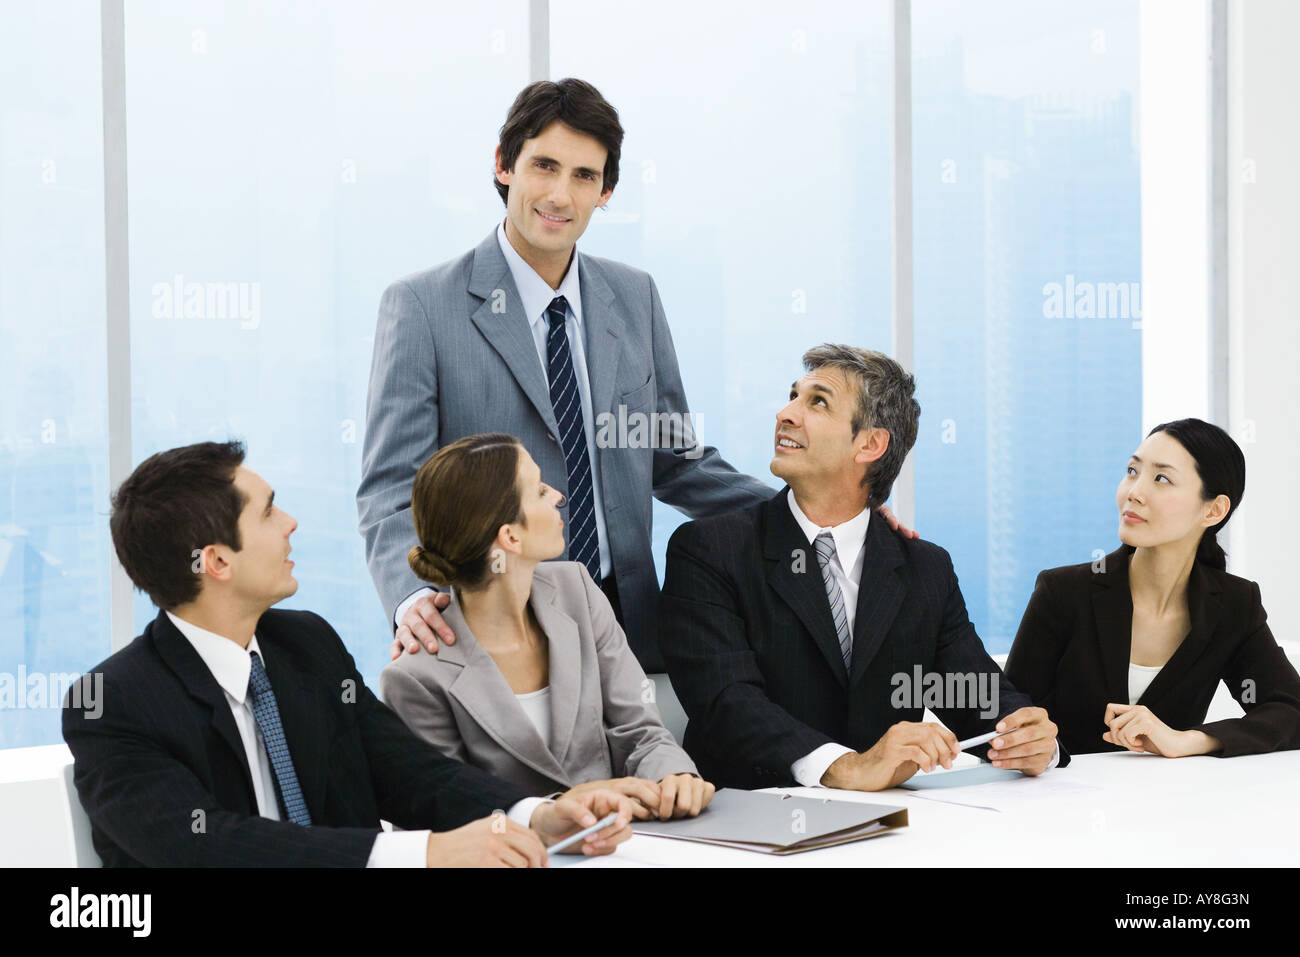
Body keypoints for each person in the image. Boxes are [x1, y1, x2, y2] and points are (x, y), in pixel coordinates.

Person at [356, 78, 912, 673]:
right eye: (544, 166)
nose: (560, 195)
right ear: (503, 166)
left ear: (606, 192)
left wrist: (819, 515)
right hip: (495, 625)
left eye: (584, 176)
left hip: (628, 624)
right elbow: (392, 487)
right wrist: (412, 596)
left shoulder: (633, 295)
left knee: (651, 764)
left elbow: (675, 459)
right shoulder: (421, 306)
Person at [63, 441, 633, 867]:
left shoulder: (304, 644)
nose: (291, 524)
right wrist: (424, 855)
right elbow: (206, 843)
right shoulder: (114, 703)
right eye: (268, 512)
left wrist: (535, 812)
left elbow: (408, 772)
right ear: (216, 562)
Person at [658, 344, 1068, 791]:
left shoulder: (925, 568)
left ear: (870, 444)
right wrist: (845, 766)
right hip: (745, 823)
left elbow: (971, 690)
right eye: (793, 395)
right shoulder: (710, 549)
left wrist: (1028, 737)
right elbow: (726, 702)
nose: (785, 413)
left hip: (889, 830)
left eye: (817, 401)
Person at [380, 434, 714, 820]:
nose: (558, 494)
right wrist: (559, 808)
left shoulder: (578, 592)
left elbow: (640, 729)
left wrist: (672, 774)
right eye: (539, 490)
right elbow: (445, 811)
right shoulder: (415, 678)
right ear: (511, 537)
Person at [1005, 418, 1300, 758]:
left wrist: (1188, 740)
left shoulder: (1234, 604)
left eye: (1161, 478)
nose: (1134, 492)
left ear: (1214, 510)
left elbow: (1290, 710)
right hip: (1055, 802)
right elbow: (1008, 721)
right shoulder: (1062, 592)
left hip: (1167, 804)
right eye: (1132, 471)